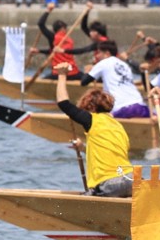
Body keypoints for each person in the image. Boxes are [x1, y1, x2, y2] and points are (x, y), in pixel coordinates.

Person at [54, 63, 132, 197]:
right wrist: (83, 147)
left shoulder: (93, 119)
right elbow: (109, 151)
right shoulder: (118, 126)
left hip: (109, 183)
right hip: (132, 179)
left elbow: (63, 103)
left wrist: (62, 75)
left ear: (90, 107)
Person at [80, 41, 148, 119]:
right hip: (141, 106)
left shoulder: (104, 63)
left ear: (107, 53)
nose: (97, 56)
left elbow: (84, 82)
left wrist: (87, 71)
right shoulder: (124, 65)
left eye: (99, 53)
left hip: (120, 108)